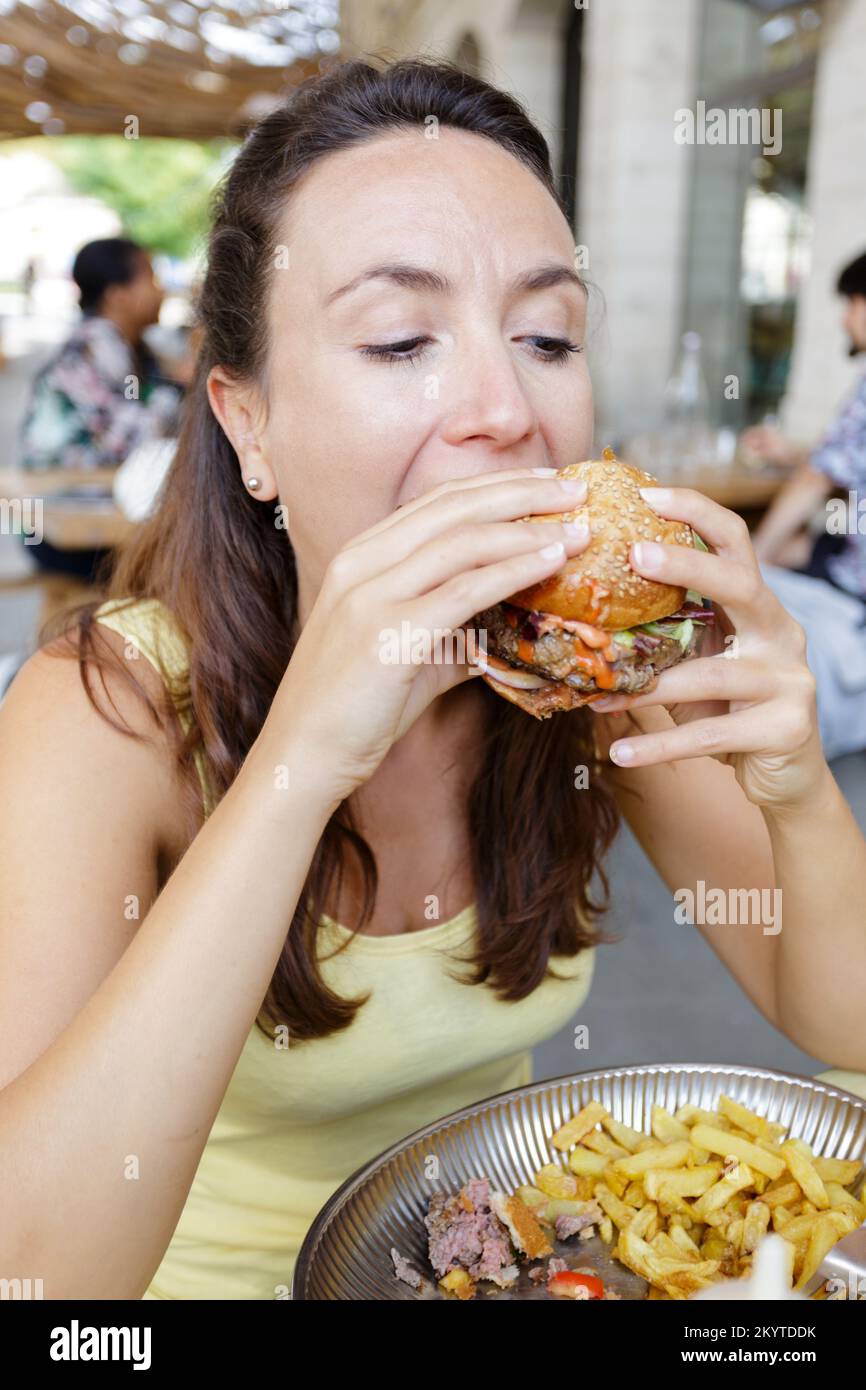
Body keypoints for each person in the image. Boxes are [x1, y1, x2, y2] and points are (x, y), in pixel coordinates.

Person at [0, 58, 865, 1302]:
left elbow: (830, 1017)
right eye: (401, 339)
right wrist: (299, 768)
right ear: (248, 424)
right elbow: (37, 1282)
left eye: (547, 336)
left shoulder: (582, 678)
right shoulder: (107, 709)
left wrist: (795, 791)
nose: (503, 408)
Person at [743, 251, 866, 759]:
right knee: (797, 547)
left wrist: (748, 560)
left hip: (854, 591)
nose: (845, 316)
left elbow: (817, 481)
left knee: (728, 584)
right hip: (842, 553)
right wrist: (795, 454)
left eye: (853, 301)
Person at [17, 237, 187, 580]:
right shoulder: (93, 348)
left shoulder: (133, 347)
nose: (161, 291)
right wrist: (182, 385)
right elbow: (131, 438)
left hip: (99, 512)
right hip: (60, 532)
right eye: (150, 278)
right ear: (117, 294)